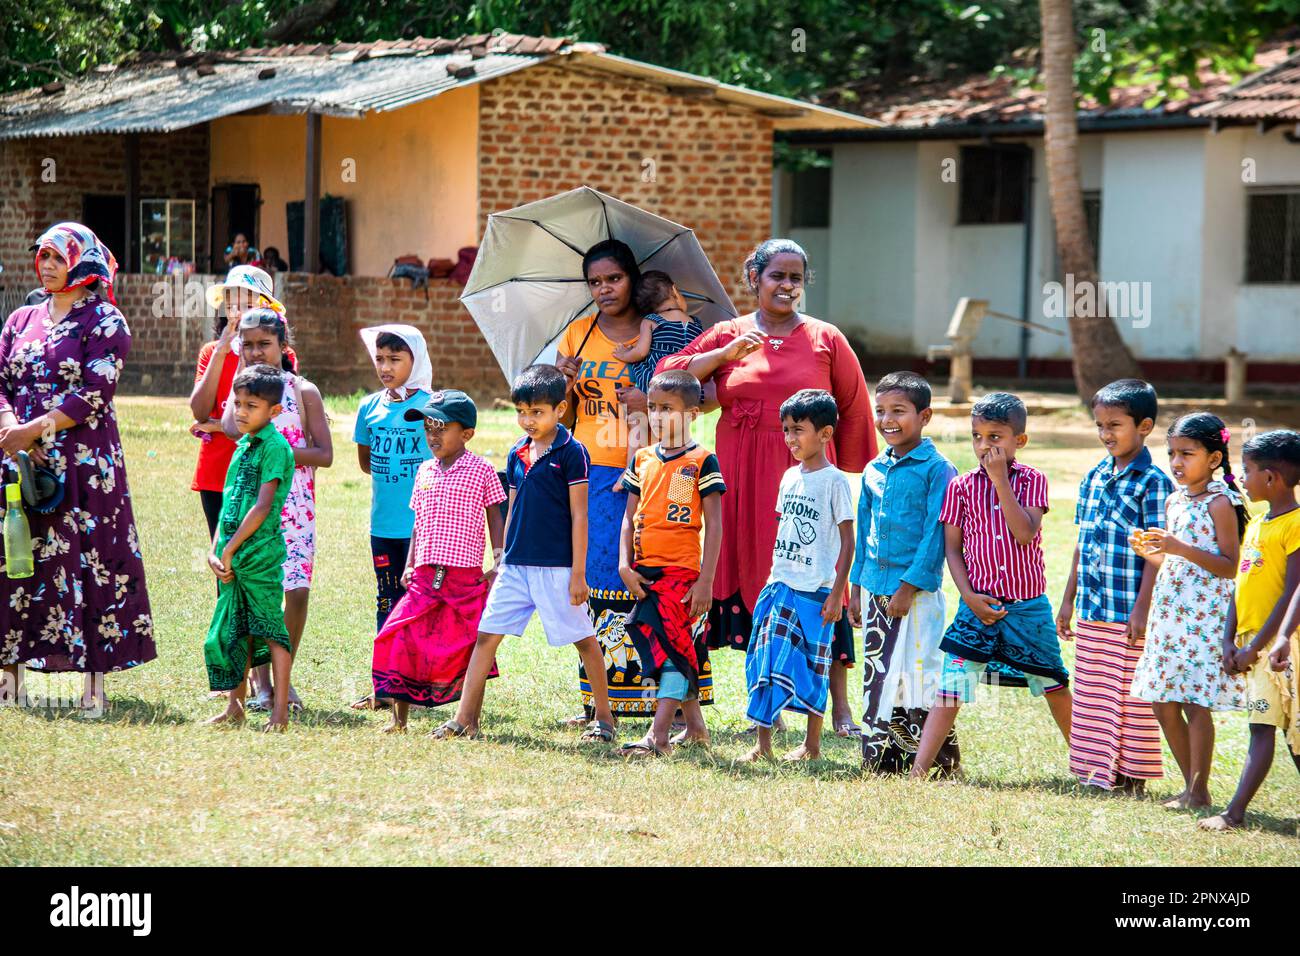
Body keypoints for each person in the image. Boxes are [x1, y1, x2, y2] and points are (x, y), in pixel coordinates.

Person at [658, 238, 876, 736]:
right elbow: (672, 381)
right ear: (754, 278)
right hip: (739, 478)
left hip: (808, 483)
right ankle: (762, 704)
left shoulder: (826, 338)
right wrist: (722, 355)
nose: (787, 285)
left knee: (819, 578)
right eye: (777, 275)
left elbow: (853, 407)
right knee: (753, 578)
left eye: (796, 277)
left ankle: (838, 708)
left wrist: (839, 479)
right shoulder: (727, 333)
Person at [0, 222, 155, 714]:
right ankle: (9, 684)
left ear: (83, 264)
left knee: (91, 564)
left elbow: (93, 392)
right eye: (41, 255)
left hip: (83, 466)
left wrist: (35, 431)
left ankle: (94, 689)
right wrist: (13, 430)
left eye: (56, 257)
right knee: (15, 560)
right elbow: (1, 380)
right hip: (19, 460)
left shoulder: (106, 321)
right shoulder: (20, 319)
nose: (46, 265)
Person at [432, 365, 616, 743]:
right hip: (516, 565)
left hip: (558, 567)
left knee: (583, 640)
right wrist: (501, 560)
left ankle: (604, 719)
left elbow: (581, 514)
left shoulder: (572, 452)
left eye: (537, 412)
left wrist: (578, 573)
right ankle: (465, 718)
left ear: (560, 410)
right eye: (521, 411)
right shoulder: (517, 453)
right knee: (486, 636)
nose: (528, 420)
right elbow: (512, 508)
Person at [910, 392, 1073, 779]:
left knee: (1053, 683)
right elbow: (952, 550)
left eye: (996, 437)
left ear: (1020, 440)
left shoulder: (1033, 480)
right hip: (976, 607)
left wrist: (1001, 481)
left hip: (1026, 608)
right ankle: (918, 771)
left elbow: (1024, 532)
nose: (985, 446)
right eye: (978, 436)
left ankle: (1087, 764)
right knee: (951, 686)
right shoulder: (962, 487)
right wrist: (968, 597)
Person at [555, 240, 667, 725]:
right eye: (595, 282)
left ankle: (662, 701)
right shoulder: (577, 336)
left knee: (645, 573)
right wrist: (561, 384)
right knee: (594, 580)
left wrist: (649, 401)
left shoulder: (658, 332)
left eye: (614, 279)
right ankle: (599, 703)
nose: (604, 289)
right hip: (588, 472)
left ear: (632, 279)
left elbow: (693, 399)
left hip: (649, 471)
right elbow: (562, 415)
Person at [1058, 379, 1174, 794]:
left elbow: (1157, 552)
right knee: (1094, 690)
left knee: (1129, 696)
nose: (1106, 434)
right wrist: (1067, 601)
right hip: (1092, 604)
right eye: (1100, 425)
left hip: (1130, 608)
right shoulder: (1093, 476)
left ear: (1144, 426)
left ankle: (1131, 776)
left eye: (1115, 425)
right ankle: (1097, 772)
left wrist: (1143, 608)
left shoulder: (1154, 482)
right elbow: (1081, 541)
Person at [1130, 413, 1247, 810]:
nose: (1177, 463)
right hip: (1170, 614)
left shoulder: (1221, 502)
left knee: (1196, 703)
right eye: (1172, 454)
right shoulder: (1174, 499)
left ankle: (1198, 790)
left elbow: (1230, 564)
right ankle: (1190, 786)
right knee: (1162, 700)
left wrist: (1178, 548)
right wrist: (1155, 554)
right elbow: (1175, 562)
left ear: (1214, 458)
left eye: (1187, 454)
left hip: (1204, 617)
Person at [371, 390, 506, 732]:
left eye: (441, 427)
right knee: (401, 637)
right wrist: (410, 563)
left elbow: (495, 517)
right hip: (424, 576)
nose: (432, 435)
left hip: (465, 578)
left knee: (471, 646)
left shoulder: (483, 471)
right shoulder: (425, 471)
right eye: (428, 427)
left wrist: (499, 560)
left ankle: (469, 717)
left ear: (466, 434)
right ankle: (398, 719)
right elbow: (418, 522)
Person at [219, 308, 333, 713]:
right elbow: (232, 429)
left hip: (296, 508)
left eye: (264, 344)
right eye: (247, 344)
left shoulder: (304, 392)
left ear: (283, 347)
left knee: (296, 592)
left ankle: (285, 675)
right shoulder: (243, 392)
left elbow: (325, 453)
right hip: (253, 507)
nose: (255, 352)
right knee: (255, 594)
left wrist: (280, 452)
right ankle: (261, 683)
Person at [850, 372, 960, 774]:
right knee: (880, 676)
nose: (887, 419)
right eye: (880, 411)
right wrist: (856, 587)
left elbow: (936, 534)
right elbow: (864, 533)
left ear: (925, 416)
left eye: (899, 411)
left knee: (919, 674)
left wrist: (907, 586)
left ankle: (936, 762)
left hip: (914, 594)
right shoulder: (874, 469)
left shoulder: (938, 469)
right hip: (875, 590)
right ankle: (884, 761)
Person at [739, 389, 855, 762]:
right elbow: (783, 527)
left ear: (825, 434)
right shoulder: (789, 477)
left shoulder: (835, 482)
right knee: (766, 658)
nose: (790, 438)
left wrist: (838, 593)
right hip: (780, 585)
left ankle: (812, 746)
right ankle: (764, 745)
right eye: (786, 430)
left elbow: (848, 541)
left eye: (798, 430)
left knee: (814, 664)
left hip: (817, 591)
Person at [617, 370, 725, 756]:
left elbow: (715, 526)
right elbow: (629, 518)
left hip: (681, 573)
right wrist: (624, 565)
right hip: (643, 571)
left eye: (669, 409)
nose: (658, 416)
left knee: (673, 650)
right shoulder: (642, 458)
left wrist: (706, 581)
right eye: (652, 408)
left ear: (693, 414)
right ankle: (695, 728)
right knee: (674, 646)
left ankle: (657, 735)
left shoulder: (702, 460)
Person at [1200, 429, 1300, 832]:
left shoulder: (1294, 526)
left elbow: (1292, 590)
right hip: (1252, 643)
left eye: (1247, 471)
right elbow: (1241, 587)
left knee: (1263, 729)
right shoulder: (1258, 523)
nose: (1241, 478)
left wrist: (1260, 646)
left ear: (1272, 478)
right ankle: (1235, 810)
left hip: (1279, 648)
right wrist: (1228, 639)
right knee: (1291, 731)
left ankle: (1234, 812)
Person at [203, 364, 297, 730]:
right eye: (237, 403)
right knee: (234, 630)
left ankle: (280, 711)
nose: (240, 412)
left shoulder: (275, 447)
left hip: (258, 555)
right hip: (231, 553)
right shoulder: (242, 445)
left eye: (251, 405)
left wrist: (231, 550)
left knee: (271, 630)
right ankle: (234, 707)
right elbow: (228, 503)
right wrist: (216, 548)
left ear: (273, 411)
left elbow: (261, 506)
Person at [192, 266, 291, 546]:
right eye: (232, 303)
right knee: (221, 551)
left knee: (257, 554)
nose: (238, 312)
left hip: (261, 472)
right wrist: (223, 353)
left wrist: (214, 426)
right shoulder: (212, 352)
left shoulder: (282, 357)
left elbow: (264, 422)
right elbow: (199, 411)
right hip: (216, 471)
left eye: (248, 303)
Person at [353, 326, 433, 637]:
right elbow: (366, 462)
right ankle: (385, 680)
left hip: (424, 527)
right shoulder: (369, 407)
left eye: (395, 360)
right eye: (380, 359)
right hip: (383, 527)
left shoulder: (433, 405)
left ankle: (422, 678)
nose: (385, 368)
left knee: (421, 601)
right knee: (387, 600)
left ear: (417, 360)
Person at [614, 271, 705, 467]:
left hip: (657, 378)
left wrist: (624, 354)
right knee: (669, 429)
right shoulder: (696, 324)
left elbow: (641, 351)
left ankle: (630, 469)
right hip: (686, 382)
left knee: (638, 421)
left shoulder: (652, 320)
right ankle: (662, 464)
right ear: (674, 290)